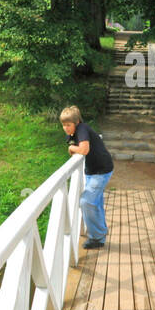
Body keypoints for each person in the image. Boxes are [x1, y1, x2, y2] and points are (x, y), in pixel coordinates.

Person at [59, 105, 113, 248]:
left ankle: (97, 237)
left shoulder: (82, 129)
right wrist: (72, 148)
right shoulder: (72, 134)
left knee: (86, 202)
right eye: (63, 125)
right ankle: (101, 234)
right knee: (96, 203)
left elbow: (83, 149)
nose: (66, 128)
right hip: (91, 170)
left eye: (68, 125)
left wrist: (71, 148)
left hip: (101, 170)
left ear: (76, 123)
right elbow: (76, 149)